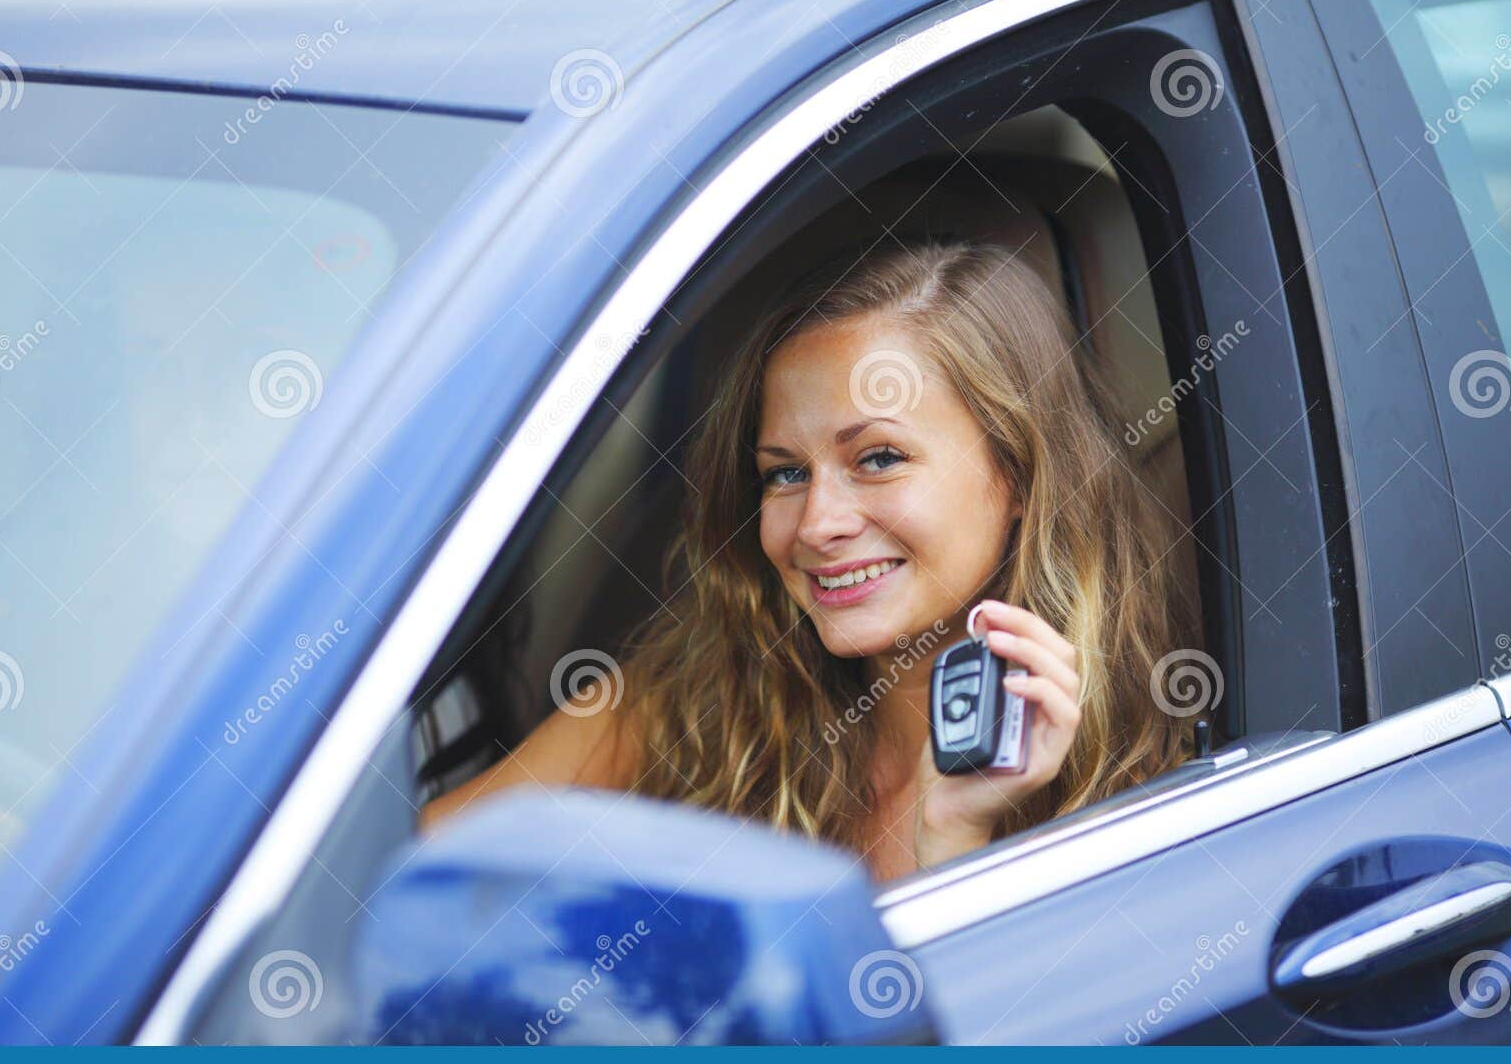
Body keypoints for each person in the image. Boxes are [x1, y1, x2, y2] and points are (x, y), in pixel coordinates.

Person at [421, 238, 1199, 882]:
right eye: (785, 473)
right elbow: (403, 876)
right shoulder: (696, 696)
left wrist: (953, 838)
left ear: (1022, 476)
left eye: (879, 457)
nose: (817, 524)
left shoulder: (1135, 789)